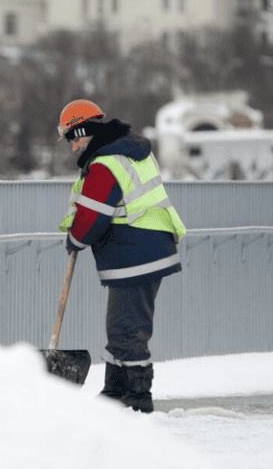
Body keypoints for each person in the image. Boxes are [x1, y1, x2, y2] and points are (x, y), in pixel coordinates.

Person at [56, 99, 186, 413]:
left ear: (83, 130)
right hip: (143, 250)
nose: (73, 148)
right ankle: (115, 390)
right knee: (121, 327)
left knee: (129, 329)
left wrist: (75, 239)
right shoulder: (128, 153)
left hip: (137, 254)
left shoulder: (105, 164)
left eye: (73, 139)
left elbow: (95, 215)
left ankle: (138, 397)